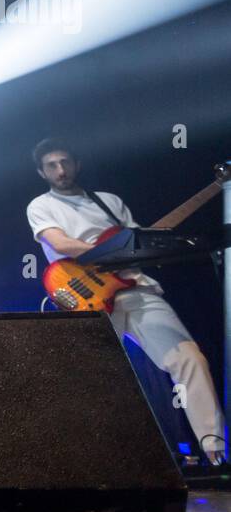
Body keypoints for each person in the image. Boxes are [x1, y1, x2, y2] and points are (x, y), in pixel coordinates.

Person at [26, 138, 226, 465]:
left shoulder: (109, 201)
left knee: (190, 357)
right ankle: (100, 462)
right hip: (86, 298)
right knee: (94, 380)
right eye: (52, 165)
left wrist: (158, 245)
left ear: (77, 164)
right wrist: (111, 252)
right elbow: (61, 244)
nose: (61, 170)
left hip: (137, 289)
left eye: (65, 162)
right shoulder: (40, 206)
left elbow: (138, 241)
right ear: (42, 171)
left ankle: (214, 450)